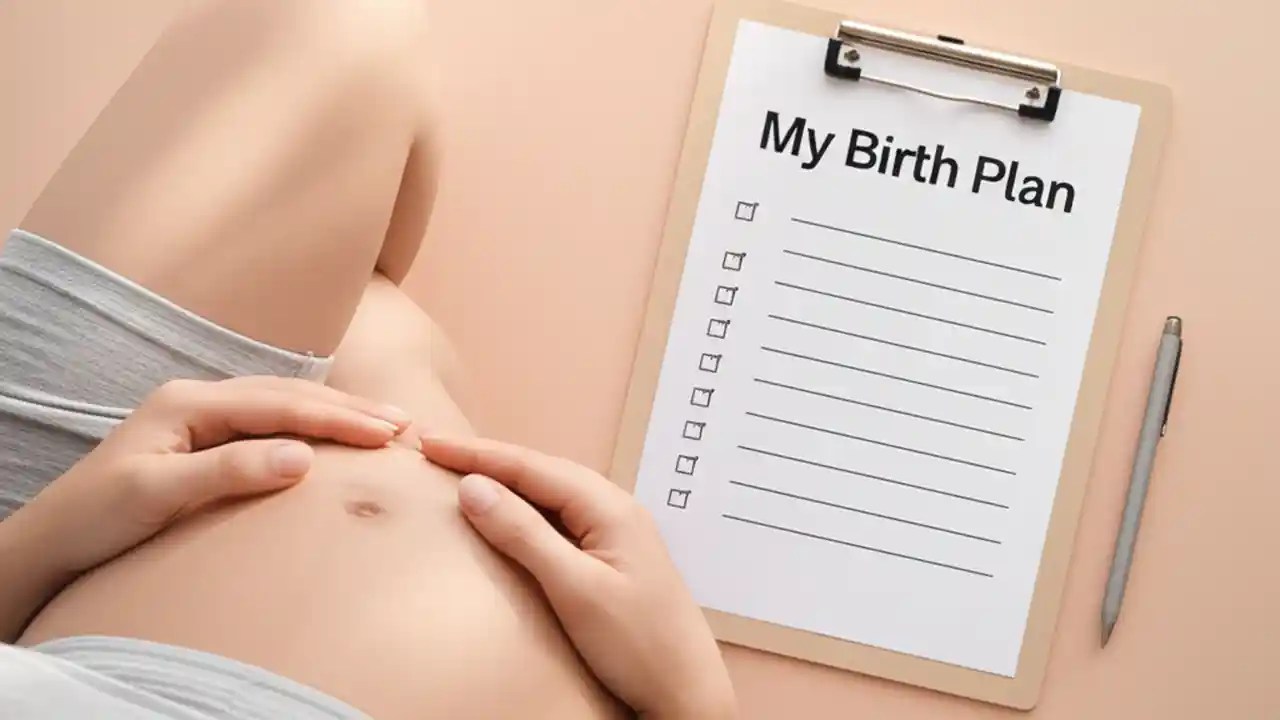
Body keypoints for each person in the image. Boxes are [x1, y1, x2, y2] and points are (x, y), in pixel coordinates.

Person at [0, 1, 737, 718]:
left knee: (329, 20)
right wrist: (693, 700)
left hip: (49, 572)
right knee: (378, 329)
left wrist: (43, 538)